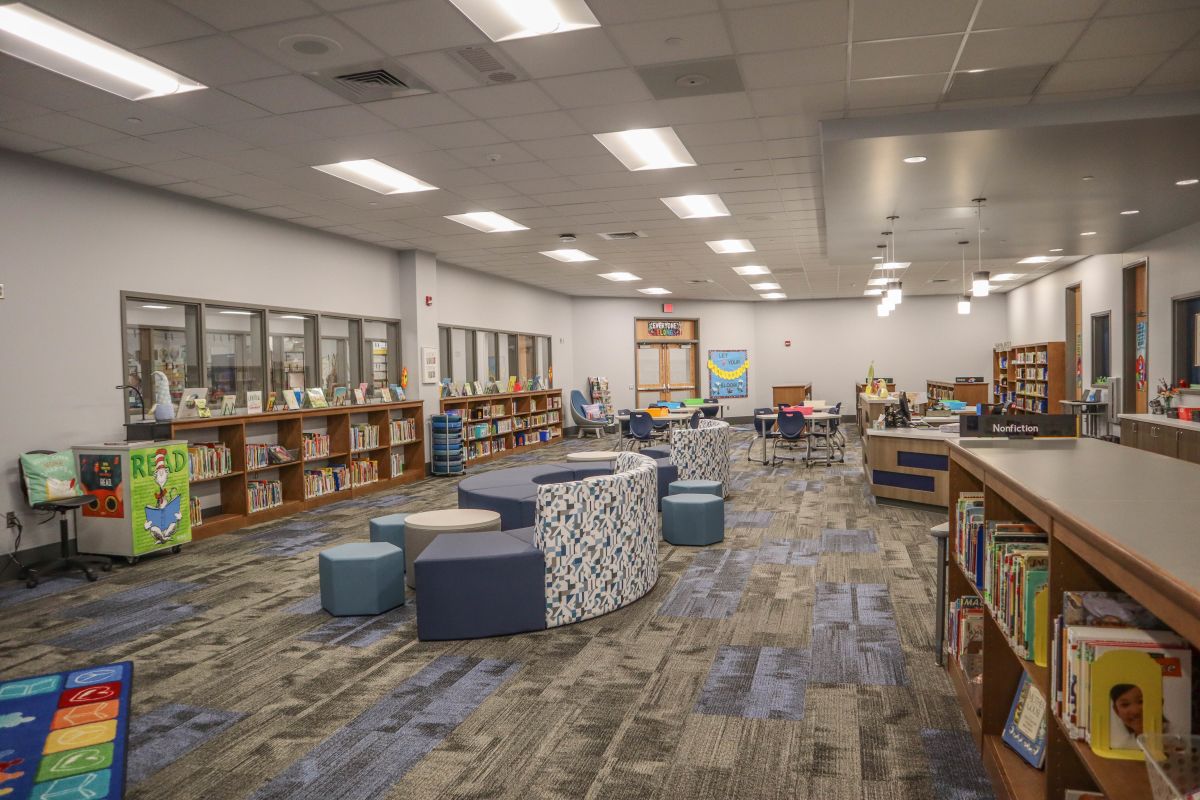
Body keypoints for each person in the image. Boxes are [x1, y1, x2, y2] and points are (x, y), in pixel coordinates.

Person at [1109, 683, 1145, 750]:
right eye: (1125, 705)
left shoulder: (1169, 740)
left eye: (1141, 701)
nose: (1135, 711)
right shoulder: (1125, 746)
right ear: (1116, 711)